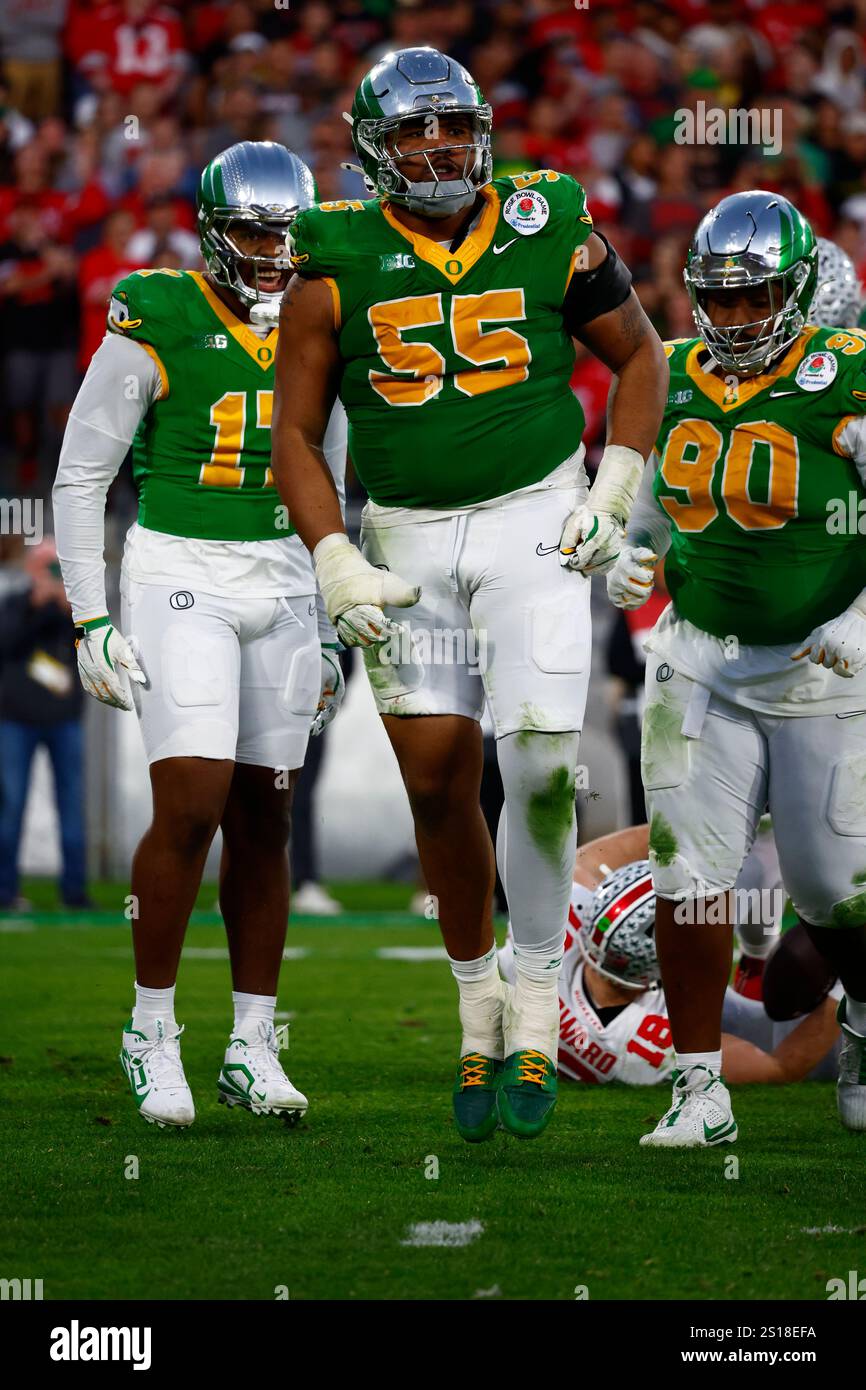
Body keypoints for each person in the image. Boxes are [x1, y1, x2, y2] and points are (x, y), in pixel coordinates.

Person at [272, 46, 668, 1142]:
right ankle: (476, 998)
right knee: (439, 779)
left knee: (539, 756)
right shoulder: (332, 255)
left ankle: (536, 998)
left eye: (453, 128)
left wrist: (615, 486)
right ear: (372, 151)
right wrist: (330, 554)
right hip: (401, 534)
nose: (439, 149)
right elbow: (294, 436)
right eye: (413, 134)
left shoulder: (546, 219)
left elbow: (638, 358)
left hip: (532, 517)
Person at [53, 141, 347, 1130]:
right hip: (180, 568)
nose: (273, 252)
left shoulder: (323, 310)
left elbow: (338, 476)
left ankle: (252, 1044)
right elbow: (81, 476)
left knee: (267, 814)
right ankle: (150, 1030)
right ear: (215, 234)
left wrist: (340, 607)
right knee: (191, 802)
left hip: (287, 577)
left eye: (287, 234)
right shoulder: (159, 312)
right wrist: (89, 617)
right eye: (255, 233)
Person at [606, 190, 866, 1145]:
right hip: (699, 659)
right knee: (687, 874)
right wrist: (624, 551)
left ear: (796, 295)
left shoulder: (848, 374)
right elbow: (635, 499)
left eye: (759, 298)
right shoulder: (666, 371)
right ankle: (698, 1083)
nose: (740, 316)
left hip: (820, 666)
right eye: (724, 298)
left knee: (831, 888)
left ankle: (864, 1022)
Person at [499, 823, 841, 1093]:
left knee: (729, 871)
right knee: (813, 1042)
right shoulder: (642, 1046)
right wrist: (848, 983)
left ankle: (757, 959)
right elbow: (780, 1066)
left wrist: (699, 829)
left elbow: (583, 861)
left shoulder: (542, 947)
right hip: (699, 1013)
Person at [0, 538, 90, 910]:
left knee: (71, 805)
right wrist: (36, 608)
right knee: (11, 803)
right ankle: (5, 891)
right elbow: (7, 645)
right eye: (45, 566)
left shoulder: (77, 610)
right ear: (30, 569)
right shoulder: (15, 604)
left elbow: (91, 649)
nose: (52, 575)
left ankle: (75, 892)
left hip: (64, 721)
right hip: (15, 720)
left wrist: (70, 609)